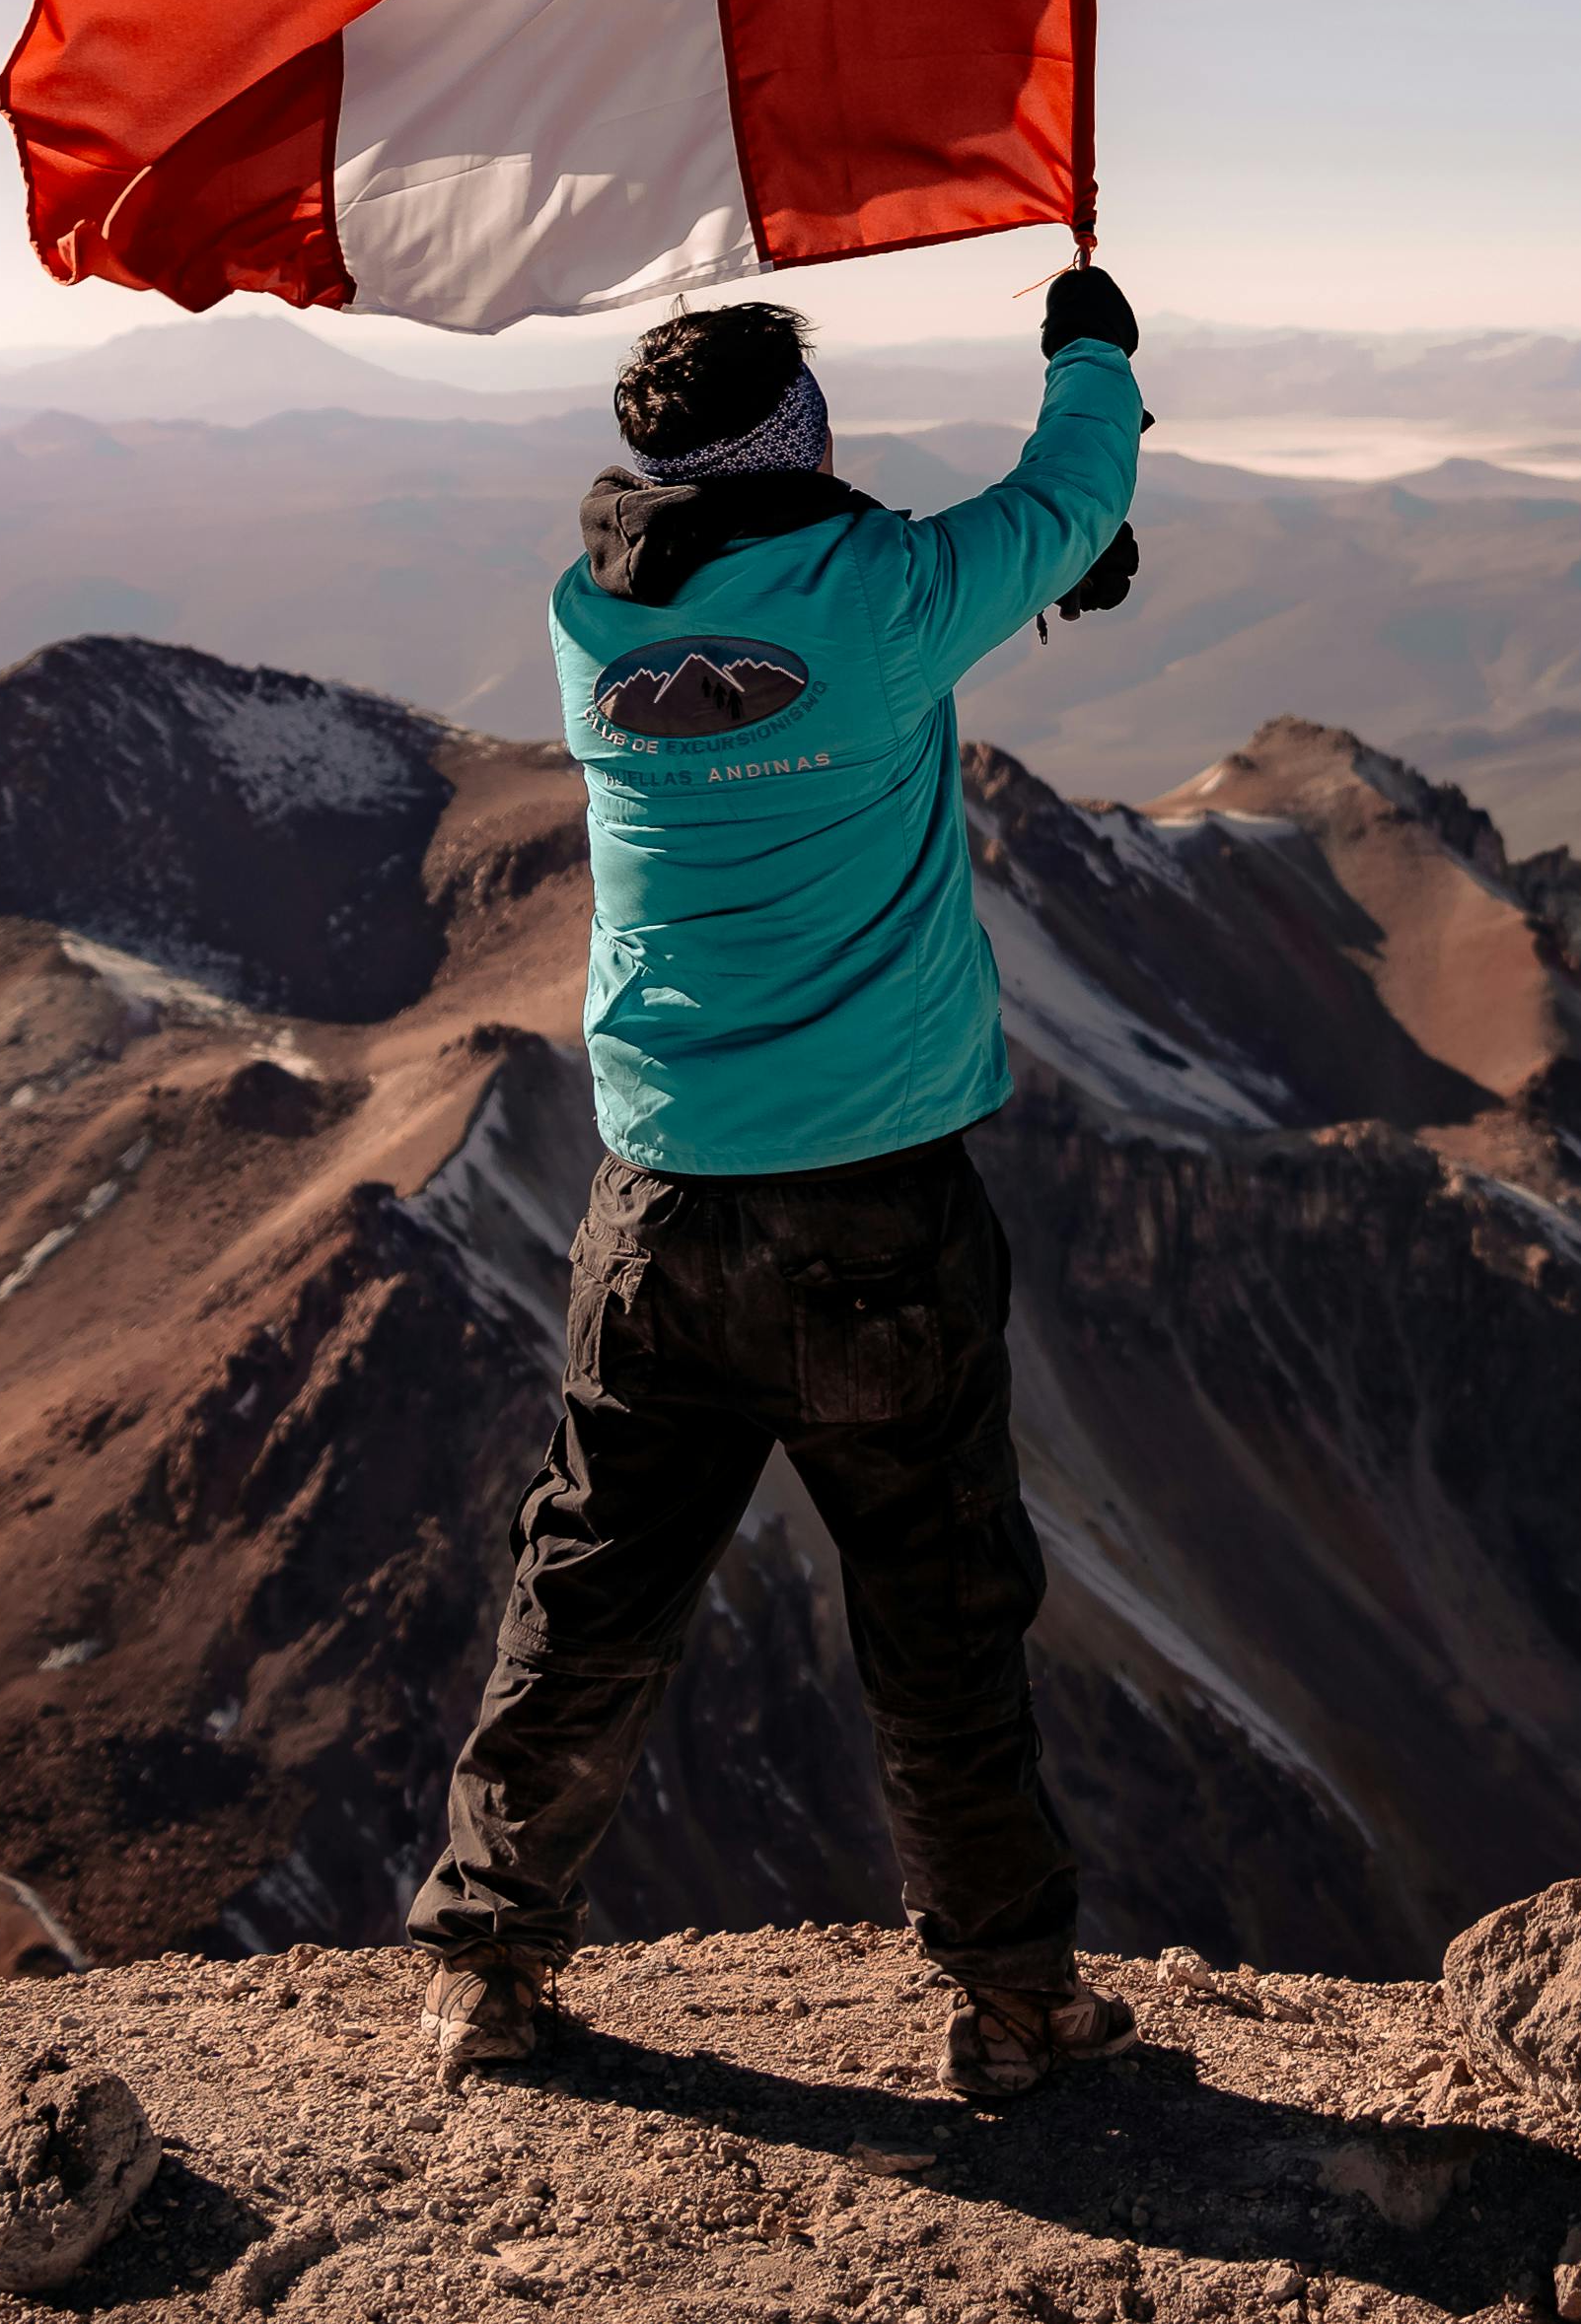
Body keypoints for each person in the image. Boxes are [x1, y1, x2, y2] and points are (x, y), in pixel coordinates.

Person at [404, 262, 1148, 2100]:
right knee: (941, 1605)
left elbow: (877, 576)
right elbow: (1070, 498)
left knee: (590, 1584)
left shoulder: (589, 617)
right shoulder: (886, 598)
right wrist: (1090, 345)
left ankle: (491, 1955)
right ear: (798, 445)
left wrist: (1033, 553)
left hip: (658, 1202)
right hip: (876, 1207)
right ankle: (1013, 2000)